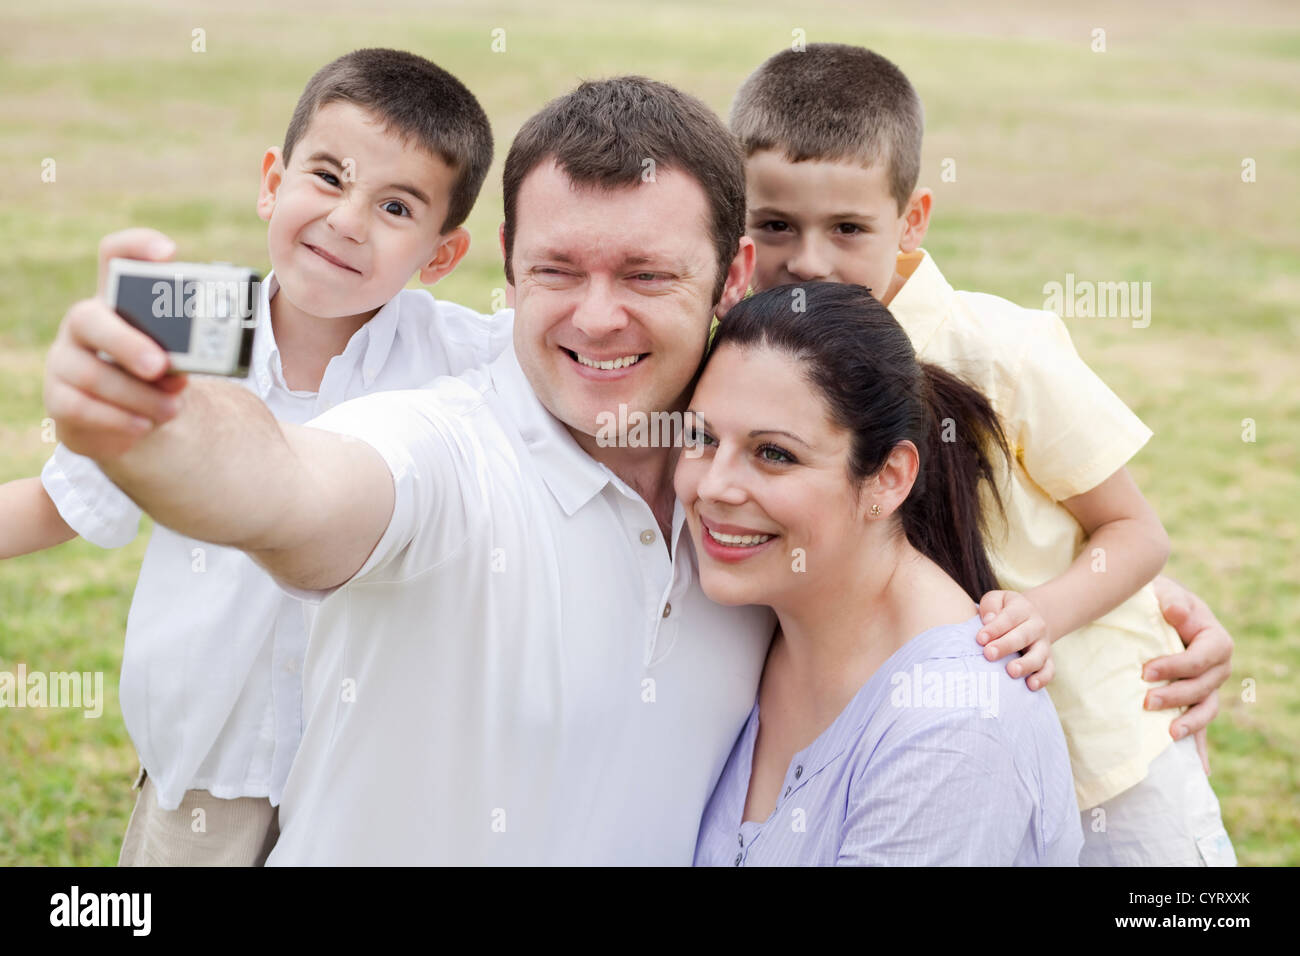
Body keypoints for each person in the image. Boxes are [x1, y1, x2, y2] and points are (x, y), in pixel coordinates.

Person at [728, 42, 1236, 865]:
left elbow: (1134, 531)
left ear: (912, 220)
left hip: (1105, 750)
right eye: (776, 225)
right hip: (939, 755)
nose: (809, 260)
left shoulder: (1001, 350)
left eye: (849, 228)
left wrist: (1049, 611)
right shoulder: (747, 360)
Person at [7, 48, 507, 864]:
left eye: (396, 207)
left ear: (441, 255)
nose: (348, 220)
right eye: (329, 177)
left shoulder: (459, 354)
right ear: (272, 182)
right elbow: (62, 501)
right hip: (207, 774)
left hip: (371, 784)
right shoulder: (187, 321)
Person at [686, 282, 1082, 865]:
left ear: (890, 477)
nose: (713, 486)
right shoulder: (757, 620)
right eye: (701, 437)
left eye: (774, 453)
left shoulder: (954, 729)